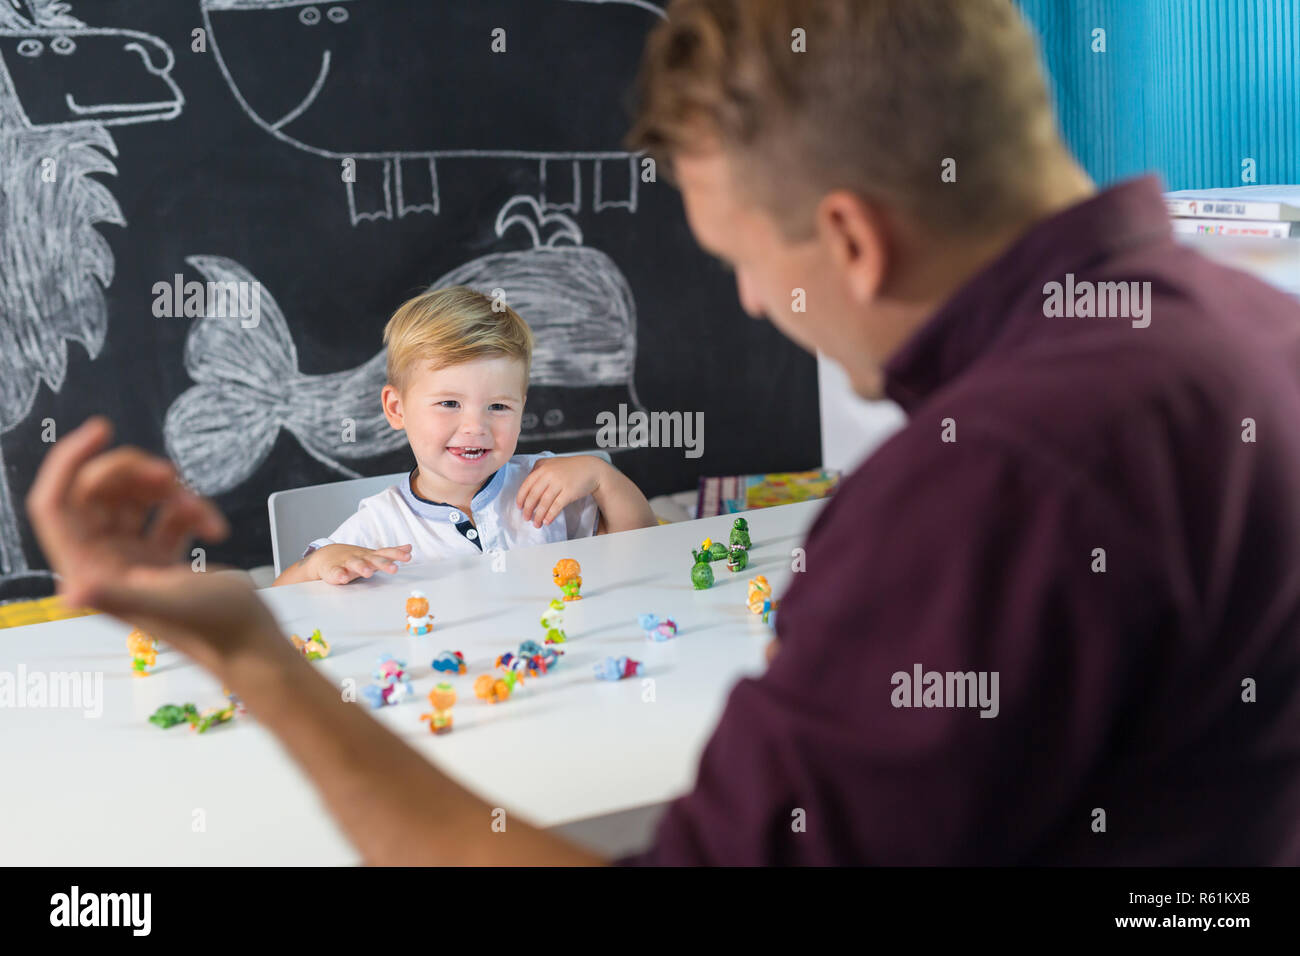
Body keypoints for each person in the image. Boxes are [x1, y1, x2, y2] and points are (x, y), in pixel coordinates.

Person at [26, 0, 1300, 865]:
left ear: (850, 238)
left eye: (746, 262)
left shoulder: (991, 481)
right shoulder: (1255, 330)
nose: (749, 303)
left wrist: (257, 661)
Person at [274, 286, 656, 585]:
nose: (476, 427)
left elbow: (642, 547)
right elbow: (285, 599)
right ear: (396, 409)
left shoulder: (546, 488)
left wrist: (602, 476)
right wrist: (318, 565)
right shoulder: (380, 523)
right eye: (449, 404)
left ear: (522, 408)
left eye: (499, 407)